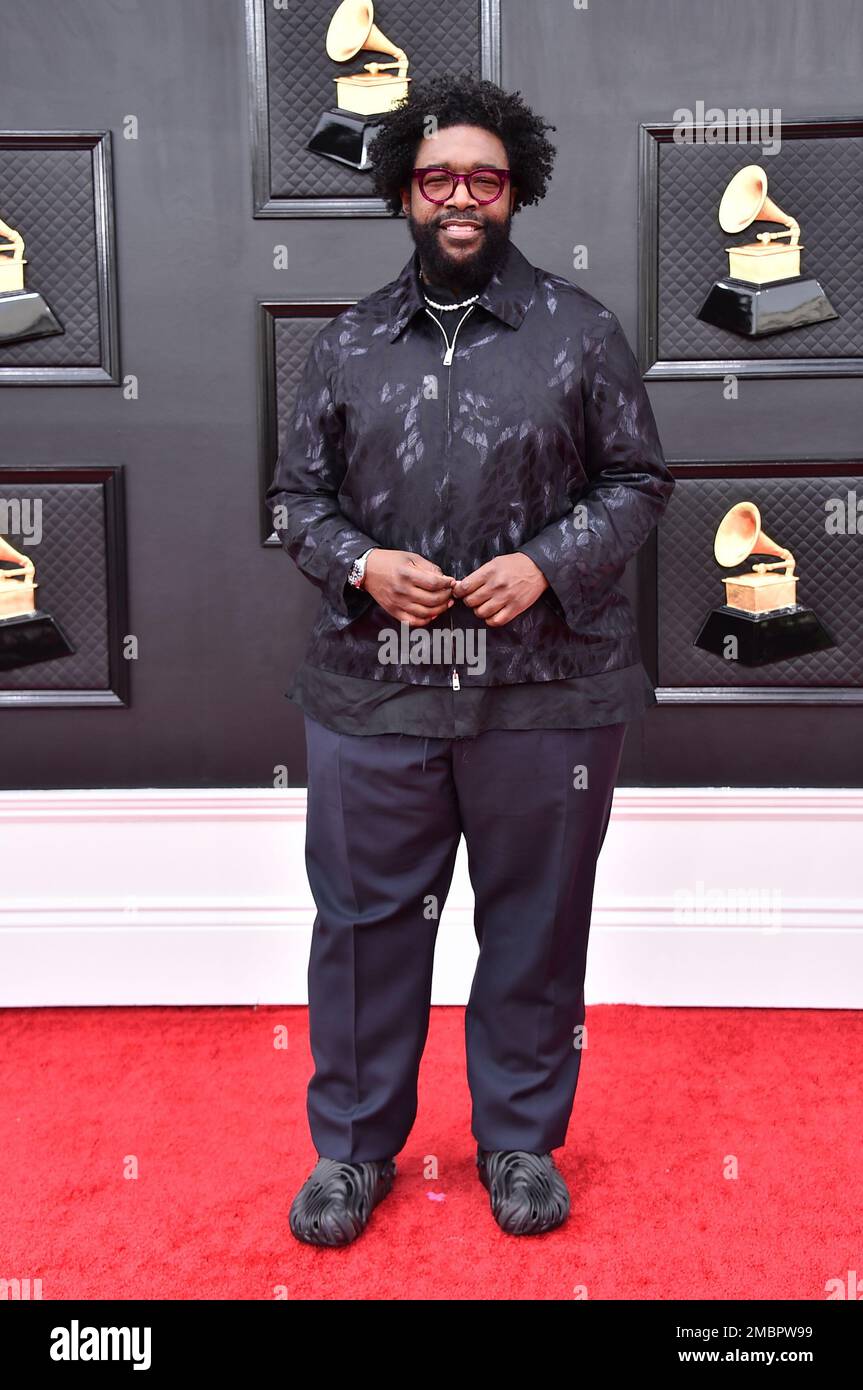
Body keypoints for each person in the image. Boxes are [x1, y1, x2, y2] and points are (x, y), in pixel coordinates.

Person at [265, 72, 675, 1245]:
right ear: (402, 190)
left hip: (546, 692)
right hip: (372, 682)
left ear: (514, 193)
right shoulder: (345, 343)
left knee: (536, 923)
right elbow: (295, 501)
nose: (460, 196)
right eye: (437, 176)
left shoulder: (579, 331)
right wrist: (359, 562)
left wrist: (548, 562)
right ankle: (351, 1150)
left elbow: (638, 481)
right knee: (361, 923)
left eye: (483, 179)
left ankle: (517, 1142)